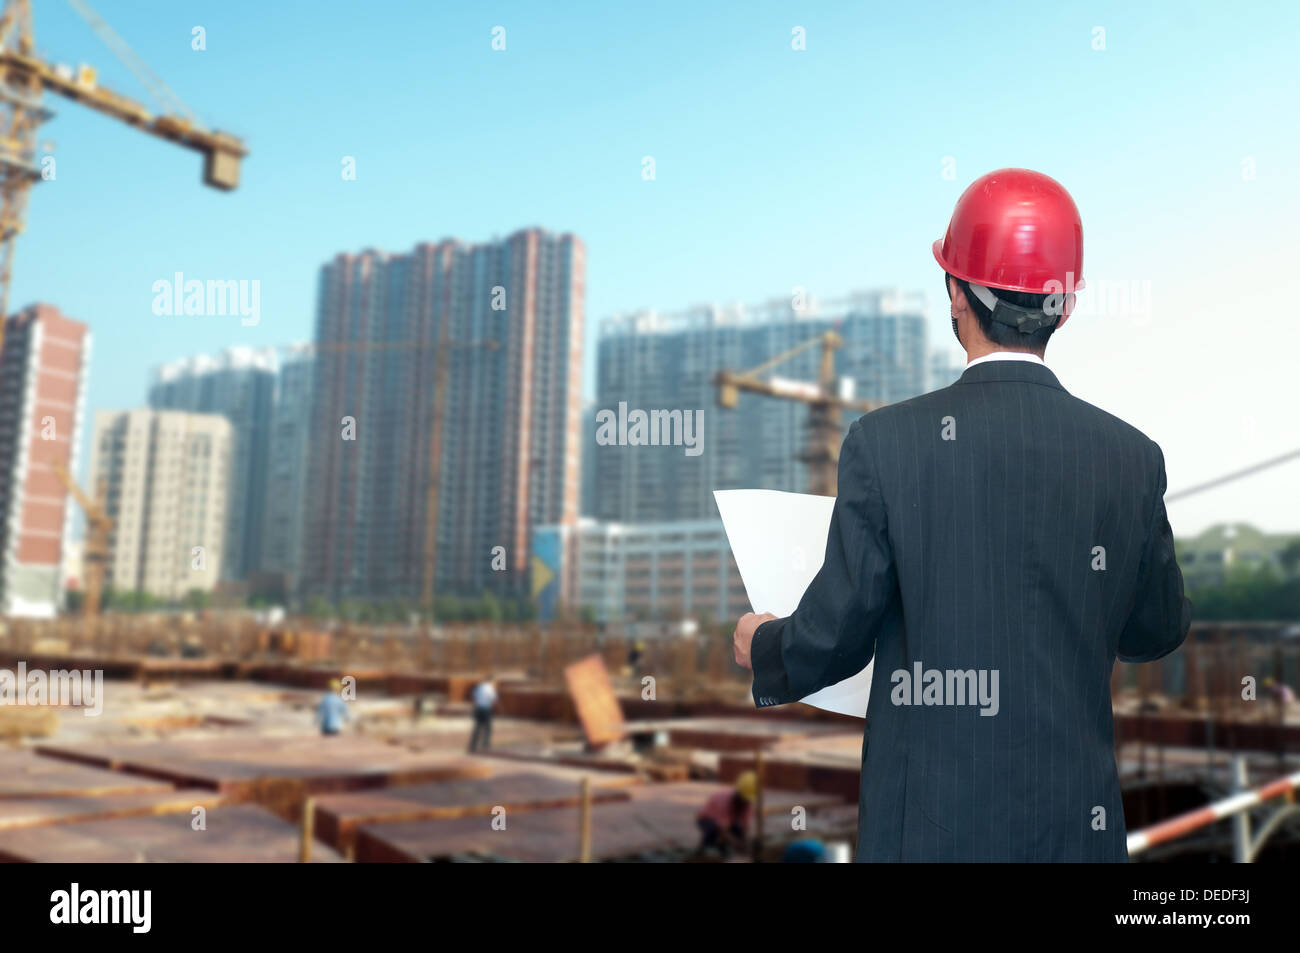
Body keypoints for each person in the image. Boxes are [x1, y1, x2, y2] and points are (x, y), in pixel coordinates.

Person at [732, 169, 1191, 862]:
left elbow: (838, 635)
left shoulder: (885, 444)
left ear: (955, 291)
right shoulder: (1132, 458)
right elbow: (1156, 628)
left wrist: (764, 645)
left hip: (929, 836)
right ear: (1064, 307)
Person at [695, 771, 756, 858]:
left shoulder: (747, 802)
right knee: (713, 829)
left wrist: (743, 841)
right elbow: (722, 829)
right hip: (706, 818)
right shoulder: (724, 800)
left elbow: (745, 825)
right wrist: (736, 843)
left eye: (747, 799)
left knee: (738, 829)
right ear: (739, 793)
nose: (746, 801)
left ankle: (723, 846)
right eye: (744, 798)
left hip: (726, 821)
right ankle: (705, 848)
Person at [468, 675, 497, 752]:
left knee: (477, 727)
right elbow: (493, 699)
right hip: (486, 709)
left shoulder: (479, 687)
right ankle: (485, 744)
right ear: (491, 681)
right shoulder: (490, 688)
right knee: (488, 728)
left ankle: (473, 744)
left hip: (478, 708)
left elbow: (473, 696)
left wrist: (476, 704)